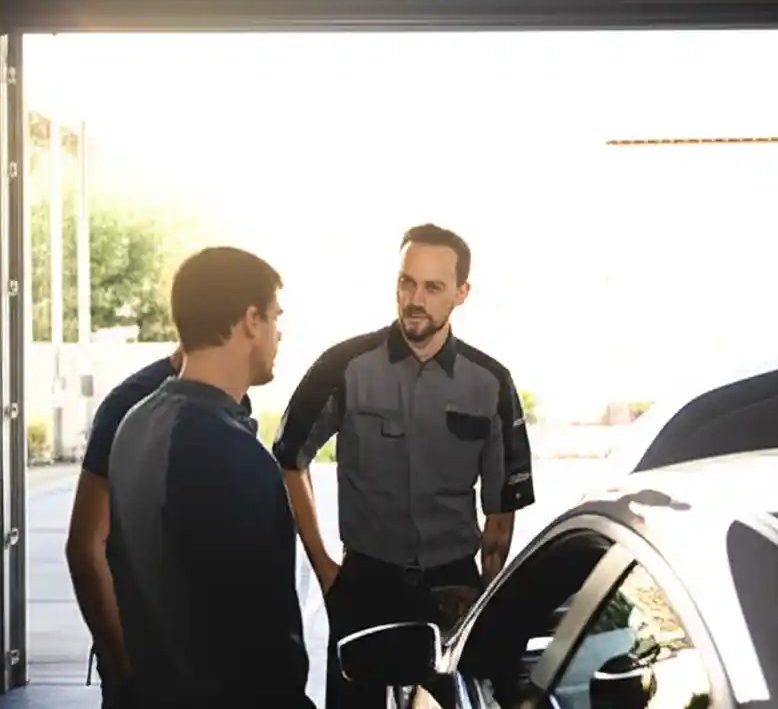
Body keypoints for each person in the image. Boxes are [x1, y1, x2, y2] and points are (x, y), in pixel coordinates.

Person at [273, 223, 534, 708]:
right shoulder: (344, 367)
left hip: (453, 591)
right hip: (365, 585)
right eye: (406, 282)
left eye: (434, 287)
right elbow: (289, 456)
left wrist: (487, 609)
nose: (416, 298)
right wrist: (327, 569)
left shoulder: (491, 383)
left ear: (461, 293)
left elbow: (499, 520)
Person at [106, 246, 314, 708]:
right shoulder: (230, 454)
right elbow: (263, 640)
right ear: (250, 320)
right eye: (275, 317)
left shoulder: (135, 424)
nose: (279, 334)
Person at [64, 348, 253, 706]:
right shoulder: (134, 403)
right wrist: (124, 668)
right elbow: (86, 547)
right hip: (149, 668)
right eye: (268, 316)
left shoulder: (228, 401)